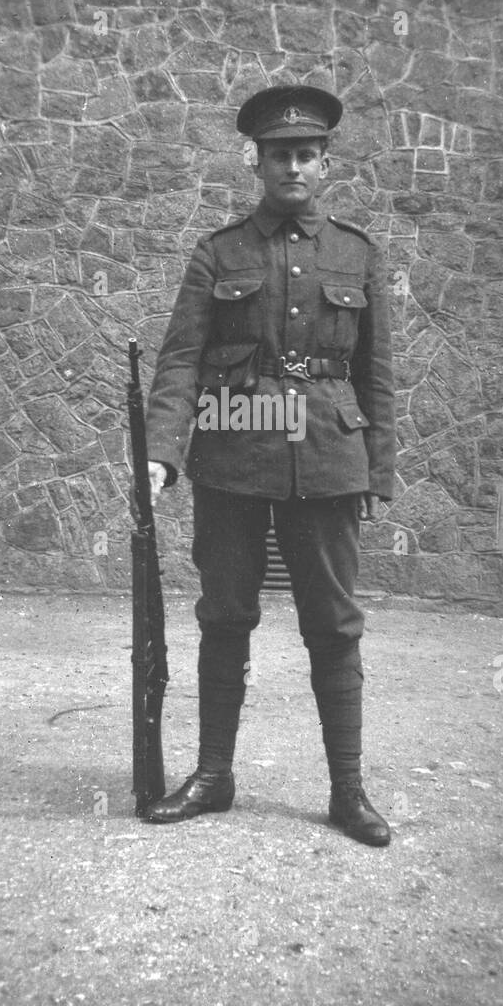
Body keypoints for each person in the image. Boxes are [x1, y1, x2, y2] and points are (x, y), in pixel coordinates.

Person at [141, 84, 396, 846]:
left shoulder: (357, 253)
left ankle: (347, 792)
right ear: (256, 163)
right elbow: (180, 360)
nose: (293, 166)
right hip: (233, 456)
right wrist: (159, 454)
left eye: (307, 154)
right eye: (279, 154)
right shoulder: (219, 252)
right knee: (225, 615)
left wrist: (379, 470)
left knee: (334, 626)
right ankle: (214, 775)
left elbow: (377, 372)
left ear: (325, 164)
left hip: (326, 457)